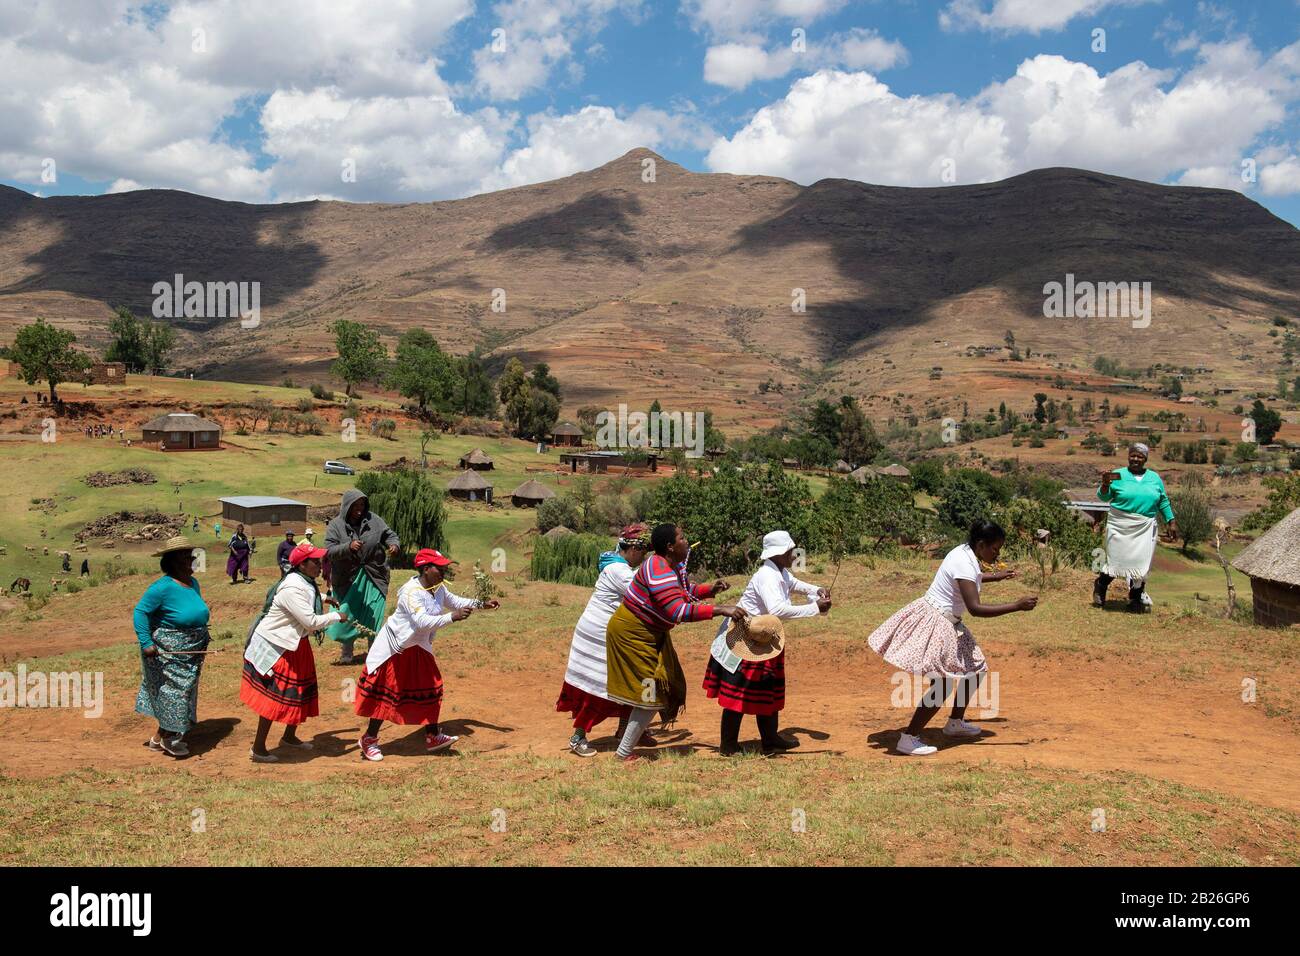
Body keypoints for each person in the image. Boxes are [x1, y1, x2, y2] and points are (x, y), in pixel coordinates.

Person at [868, 520, 1036, 756]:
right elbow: (975, 608)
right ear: (980, 544)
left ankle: (955, 723)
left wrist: (995, 577)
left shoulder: (964, 552)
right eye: (995, 548)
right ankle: (909, 738)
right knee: (944, 683)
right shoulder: (964, 563)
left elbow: (969, 579)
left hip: (948, 620)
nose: (997, 553)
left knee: (976, 669)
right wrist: (1017, 606)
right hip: (938, 622)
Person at [605, 523, 747, 764]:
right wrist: (720, 609)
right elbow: (677, 610)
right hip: (633, 635)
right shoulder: (658, 569)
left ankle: (628, 739)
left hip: (648, 634)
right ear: (670, 547)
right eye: (681, 538)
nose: (686, 541)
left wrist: (707, 590)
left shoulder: (667, 566)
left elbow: (681, 591)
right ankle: (624, 752)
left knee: (650, 690)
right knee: (651, 694)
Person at [354, 548, 499, 761]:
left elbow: (456, 601)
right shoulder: (410, 592)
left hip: (418, 647)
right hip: (396, 648)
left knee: (432, 687)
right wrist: (453, 618)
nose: (443, 572)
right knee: (387, 694)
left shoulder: (437, 588)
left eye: (444, 568)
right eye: (439, 568)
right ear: (425, 569)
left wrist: (480, 605)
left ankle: (432, 736)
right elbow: (421, 622)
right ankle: (369, 739)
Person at [703, 530, 831, 756]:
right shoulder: (767, 576)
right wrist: (815, 608)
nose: (794, 555)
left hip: (761, 639)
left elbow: (794, 583)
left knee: (769, 690)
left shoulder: (779, 571)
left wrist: (815, 589)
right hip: (743, 640)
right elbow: (778, 610)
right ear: (780, 553)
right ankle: (728, 745)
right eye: (790, 551)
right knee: (738, 694)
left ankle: (770, 739)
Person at [240, 541, 343, 762]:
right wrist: (337, 616)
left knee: (300, 691)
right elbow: (311, 621)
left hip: (295, 644)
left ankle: (289, 736)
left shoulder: (304, 581)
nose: (319, 564)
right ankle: (258, 748)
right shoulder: (292, 587)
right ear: (301, 565)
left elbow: (310, 593)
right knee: (274, 697)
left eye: (319, 560)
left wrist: (325, 598)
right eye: (314, 561)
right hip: (278, 647)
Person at [556, 523, 651, 757]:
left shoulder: (617, 565)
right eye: (643, 551)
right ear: (632, 549)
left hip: (607, 633)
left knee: (629, 680)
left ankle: (624, 728)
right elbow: (646, 594)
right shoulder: (620, 571)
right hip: (599, 635)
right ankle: (578, 737)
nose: (644, 556)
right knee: (596, 687)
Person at [132, 537, 210, 758]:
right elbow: (140, 612)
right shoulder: (161, 588)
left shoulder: (193, 584)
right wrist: (146, 643)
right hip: (167, 650)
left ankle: (158, 738)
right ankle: (170, 739)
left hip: (191, 649)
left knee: (185, 691)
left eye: (191, 555)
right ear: (173, 561)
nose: (192, 560)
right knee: (177, 692)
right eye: (187, 557)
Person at [1093, 443, 1179, 612]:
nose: (1136, 459)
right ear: (1128, 456)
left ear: (1145, 459)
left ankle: (1135, 598)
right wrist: (1104, 484)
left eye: (1140, 456)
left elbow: (1162, 500)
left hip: (1145, 527)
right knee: (1116, 560)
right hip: (1120, 525)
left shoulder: (1154, 478)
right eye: (1133, 455)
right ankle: (1101, 586)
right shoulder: (1118, 475)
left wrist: (1171, 521)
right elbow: (1103, 497)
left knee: (1141, 564)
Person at [325, 489, 400, 665]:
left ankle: (375, 650)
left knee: (374, 612)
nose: (359, 509)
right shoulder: (335, 525)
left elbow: (389, 535)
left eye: (362, 505)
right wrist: (348, 547)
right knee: (347, 613)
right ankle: (347, 651)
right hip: (347, 579)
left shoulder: (374, 520)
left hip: (374, 574)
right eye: (355, 505)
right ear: (346, 506)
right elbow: (329, 551)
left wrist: (394, 544)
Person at [303, 528, 329, 598]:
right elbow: (297, 547)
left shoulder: (312, 541)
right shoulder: (303, 541)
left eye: (310, 535)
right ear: (306, 535)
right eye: (308, 534)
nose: (310, 536)